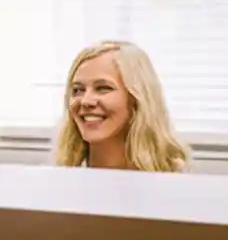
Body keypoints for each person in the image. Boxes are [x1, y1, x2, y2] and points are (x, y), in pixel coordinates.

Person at [53, 40, 190, 172]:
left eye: (103, 88)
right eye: (78, 90)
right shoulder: (62, 179)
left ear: (136, 99)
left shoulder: (171, 183)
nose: (85, 101)